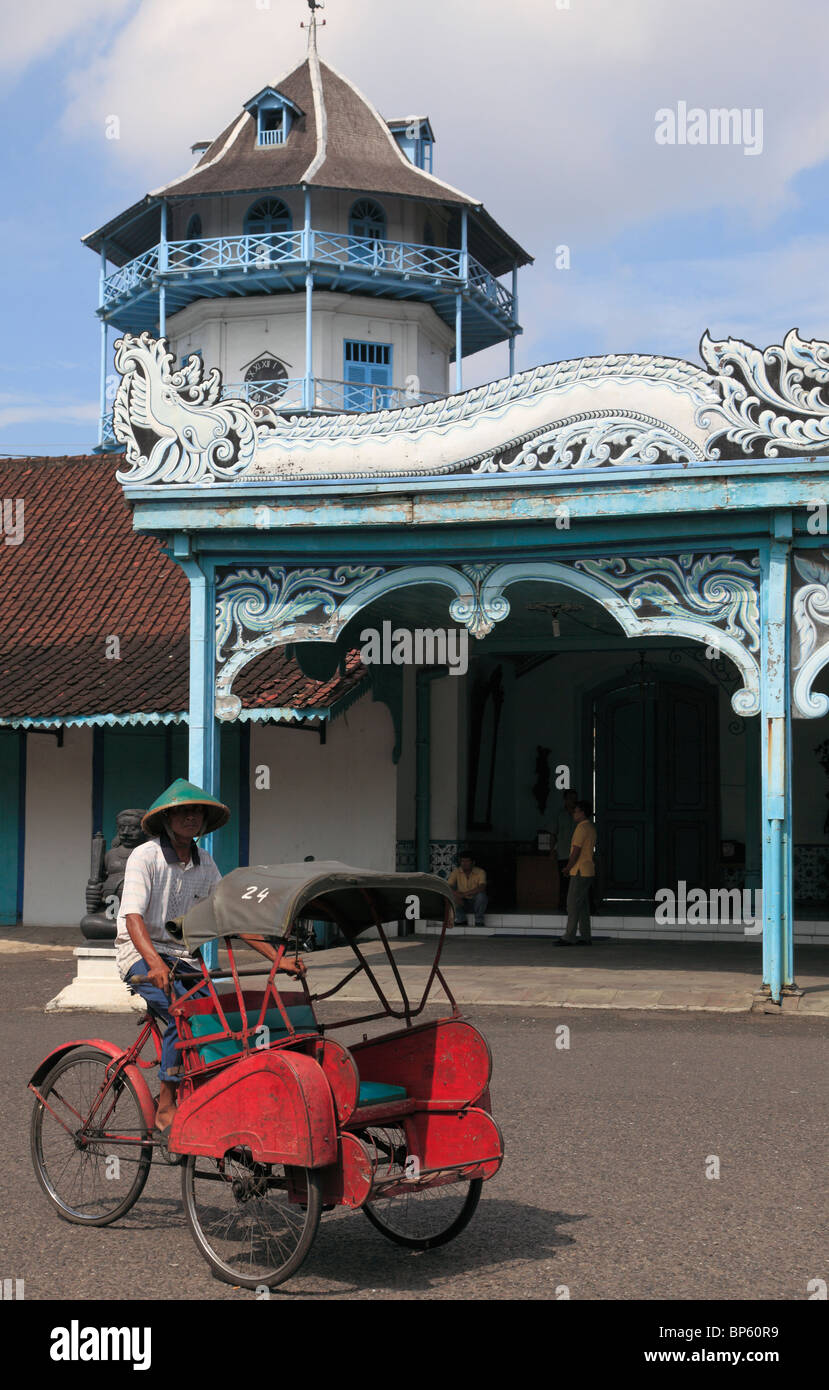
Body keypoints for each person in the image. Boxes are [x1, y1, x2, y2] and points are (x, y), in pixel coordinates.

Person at [116, 777, 303, 1141]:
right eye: (183, 812)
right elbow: (132, 917)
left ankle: (203, 1095)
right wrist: (153, 963)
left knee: (219, 1020)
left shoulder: (206, 862)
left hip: (183, 959)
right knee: (178, 1016)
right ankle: (166, 1105)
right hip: (140, 954)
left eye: (197, 812)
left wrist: (276, 958)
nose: (191, 818)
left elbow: (228, 916)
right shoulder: (146, 855)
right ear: (167, 819)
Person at [553, 799, 597, 946]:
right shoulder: (591, 827)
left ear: (582, 813)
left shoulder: (581, 828)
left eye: (576, 811)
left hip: (579, 870)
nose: (573, 813)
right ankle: (586, 936)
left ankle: (569, 936)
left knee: (571, 904)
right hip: (588, 870)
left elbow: (576, 851)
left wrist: (567, 867)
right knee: (582, 905)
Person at [448, 851, 488, 927]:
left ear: (473, 863)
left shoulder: (480, 872)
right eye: (462, 861)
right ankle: (461, 919)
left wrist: (464, 894)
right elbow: (448, 886)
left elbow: (482, 887)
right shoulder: (456, 871)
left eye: (467, 861)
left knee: (481, 896)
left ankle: (479, 920)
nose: (464, 863)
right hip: (463, 902)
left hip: (475, 901)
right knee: (451, 895)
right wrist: (456, 894)